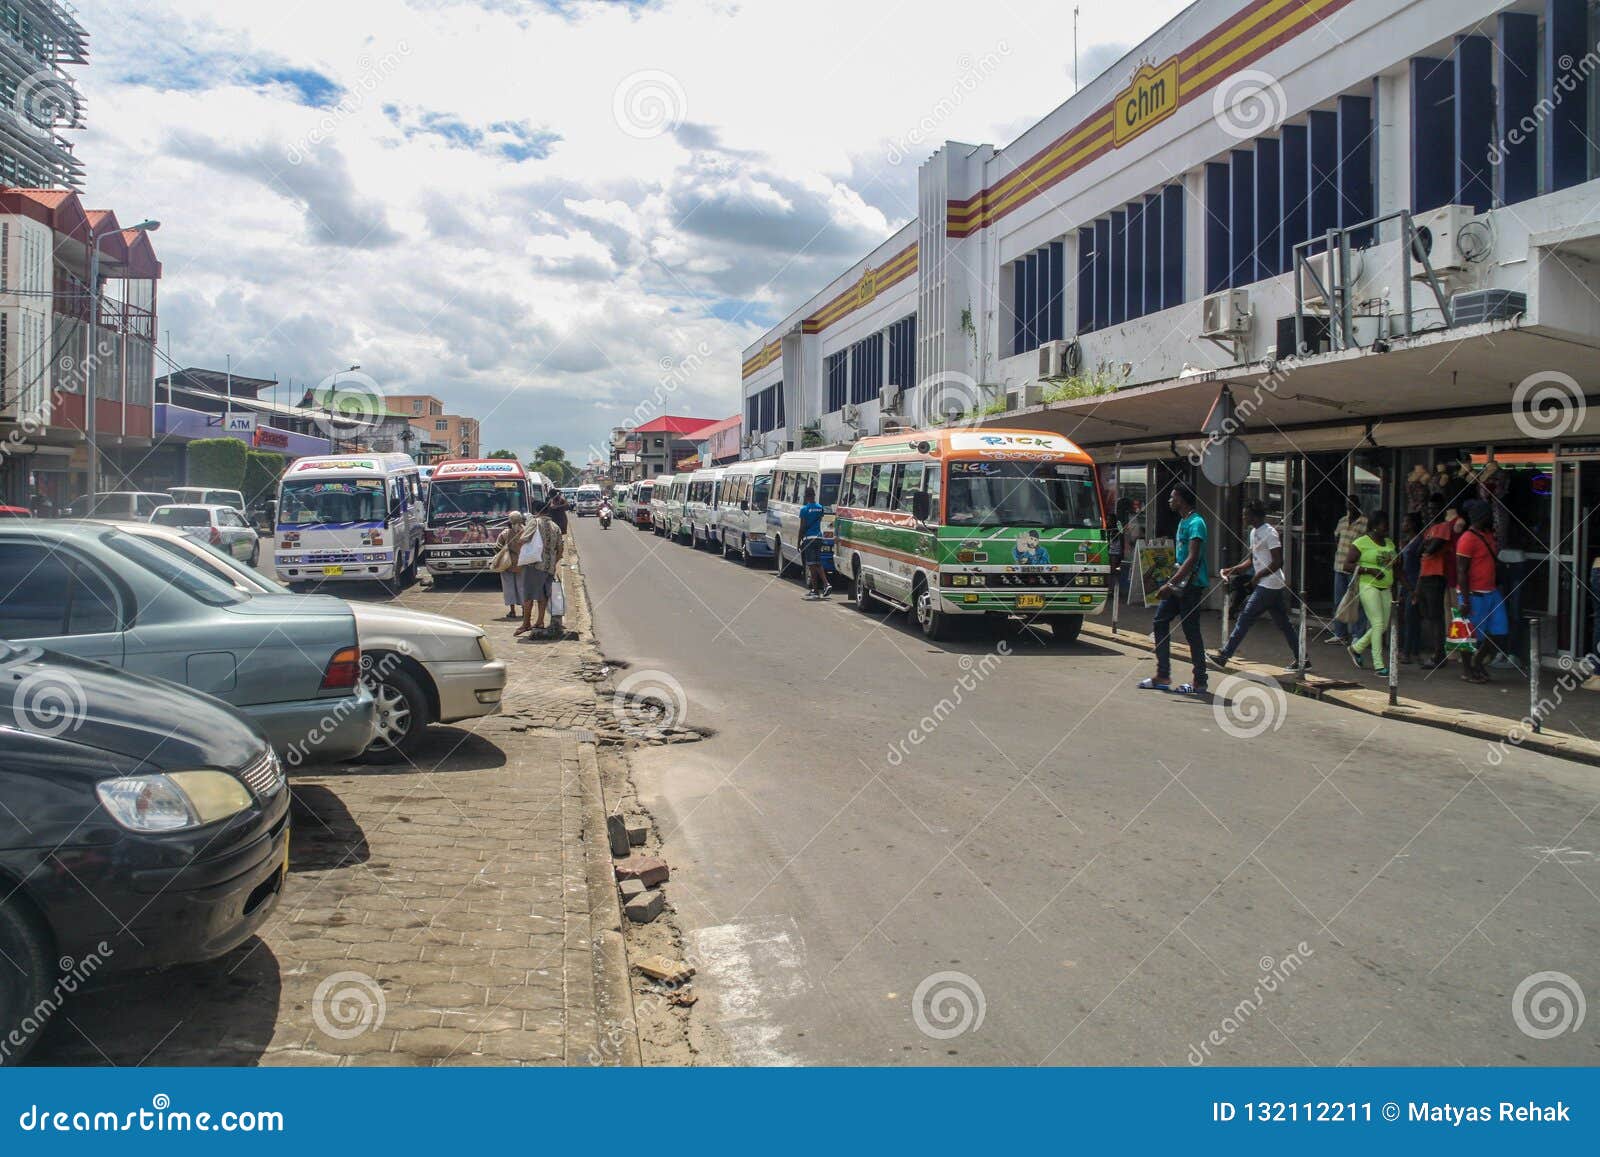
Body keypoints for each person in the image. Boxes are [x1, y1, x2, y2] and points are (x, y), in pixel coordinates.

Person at [1211, 500, 1304, 670]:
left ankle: (1225, 655)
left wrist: (1257, 577)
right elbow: (1252, 560)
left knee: (1245, 617)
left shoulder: (1270, 533)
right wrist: (1233, 569)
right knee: (1284, 624)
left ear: (1255, 515)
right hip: (1269, 584)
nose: (1243, 517)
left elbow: (1278, 561)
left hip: (1269, 584)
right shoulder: (1254, 532)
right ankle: (1302, 658)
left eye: (1246, 514)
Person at [1139, 484, 1208, 695]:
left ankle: (1200, 681)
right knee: (1160, 622)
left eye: (1172, 497)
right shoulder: (1183, 521)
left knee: (1191, 632)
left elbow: (1192, 557)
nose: (1170, 500)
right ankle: (1163, 674)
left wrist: (1170, 584)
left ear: (1182, 499)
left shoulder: (1197, 523)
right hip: (1178, 584)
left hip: (1190, 586)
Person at [1454, 500, 1507, 684]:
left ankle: (1477, 661)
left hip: (1491, 591)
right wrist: (1465, 601)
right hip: (1473, 594)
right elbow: (1461, 571)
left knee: (1499, 631)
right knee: (1468, 635)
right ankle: (1467, 670)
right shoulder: (1467, 539)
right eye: (1489, 515)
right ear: (1482, 517)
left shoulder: (1489, 535)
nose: (1492, 518)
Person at [1344, 509, 1397, 676]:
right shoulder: (1361, 543)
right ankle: (1379, 665)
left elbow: (1396, 566)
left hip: (1386, 587)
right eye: (1383, 526)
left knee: (1382, 626)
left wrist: (1410, 587)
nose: (1386, 529)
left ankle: (1356, 648)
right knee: (1378, 623)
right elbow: (1347, 565)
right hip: (1368, 586)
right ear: (1374, 526)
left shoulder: (1389, 543)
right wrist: (1369, 570)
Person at [1417, 494, 1460, 671]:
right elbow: (1421, 550)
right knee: (1429, 615)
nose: (1431, 512)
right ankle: (1435, 652)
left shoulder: (1443, 528)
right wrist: (1427, 545)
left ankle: (1438, 654)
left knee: (1436, 617)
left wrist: (1428, 545)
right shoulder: (1431, 529)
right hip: (1425, 575)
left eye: (1435, 509)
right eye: (1429, 509)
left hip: (1437, 575)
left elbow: (1432, 549)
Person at [517, 501, 565, 639]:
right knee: (543, 596)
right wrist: (552, 562)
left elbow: (523, 539)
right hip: (549, 567)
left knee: (528, 596)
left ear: (536, 511)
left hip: (534, 565)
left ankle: (526, 623)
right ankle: (540, 621)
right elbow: (560, 550)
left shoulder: (534, 522)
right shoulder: (555, 526)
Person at [1326, 494, 1367, 644]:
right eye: (1348, 504)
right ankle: (1340, 633)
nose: (1350, 507)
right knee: (1339, 600)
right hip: (1339, 565)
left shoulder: (1364, 522)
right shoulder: (1342, 521)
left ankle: (1358, 635)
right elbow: (1337, 538)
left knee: (1356, 601)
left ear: (1358, 505)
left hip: (1354, 568)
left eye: (1353, 504)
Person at [1397, 512, 1424, 665]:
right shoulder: (1407, 541)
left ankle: (1408, 652)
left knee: (1410, 618)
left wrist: (1416, 589)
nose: (1403, 525)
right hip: (1406, 583)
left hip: (1413, 584)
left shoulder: (1419, 541)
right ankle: (1410, 650)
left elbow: (1421, 566)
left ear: (1413, 524)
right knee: (1406, 618)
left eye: (1406, 522)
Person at [798, 486, 831, 599]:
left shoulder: (804, 510)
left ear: (806, 496)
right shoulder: (820, 508)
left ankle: (825, 585)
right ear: (814, 495)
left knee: (813, 565)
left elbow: (802, 527)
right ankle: (815, 590)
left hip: (809, 539)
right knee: (816, 563)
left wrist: (799, 541)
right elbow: (819, 520)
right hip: (819, 538)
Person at [496, 511, 529, 620]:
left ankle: (512, 611)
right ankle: (525, 611)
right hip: (523, 564)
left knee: (509, 587)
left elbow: (498, 546)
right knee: (522, 587)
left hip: (508, 564)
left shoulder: (505, 533)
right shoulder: (526, 531)